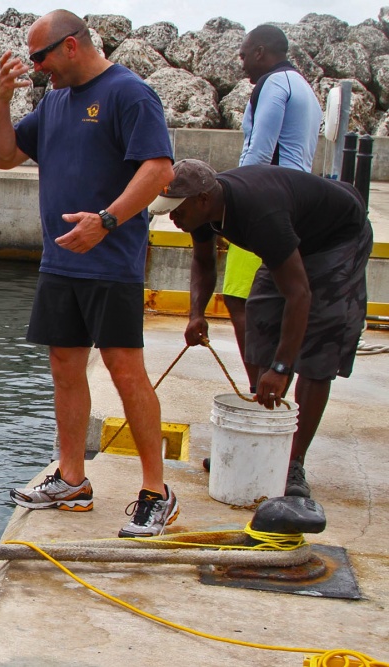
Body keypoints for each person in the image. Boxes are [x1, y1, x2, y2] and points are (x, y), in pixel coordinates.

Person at [0, 10, 178, 538]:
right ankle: (72, 478)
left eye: (41, 57)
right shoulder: (53, 102)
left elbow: (159, 168)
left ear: (70, 46)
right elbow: (4, 157)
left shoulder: (129, 93)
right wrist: (2, 99)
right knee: (64, 366)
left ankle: (155, 491)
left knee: (125, 369)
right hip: (60, 261)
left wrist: (108, 221)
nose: (37, 68)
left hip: (111, 261)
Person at [152, 159, 372, 498]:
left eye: (176, 211)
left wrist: (281, 368)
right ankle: (264, 441)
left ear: (202, 200)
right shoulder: (198, 211)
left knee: (318, 346)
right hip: (293, 239)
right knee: (260, 316)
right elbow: (204, 261)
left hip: (337, 240)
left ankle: (293, 462)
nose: (172, 218)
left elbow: (299, 294)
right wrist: (196, 313)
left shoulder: (260, 215)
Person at [222, 24, 322, 393]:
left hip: (265, 203)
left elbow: (259, 152)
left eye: (245, 54)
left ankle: (260, 389)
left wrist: (229, 193)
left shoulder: (273, 85)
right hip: (296, 199)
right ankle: (270, 381)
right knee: (278, 299)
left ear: (262, 52)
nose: (242, 62)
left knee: (239, 298)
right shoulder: (305, 88)